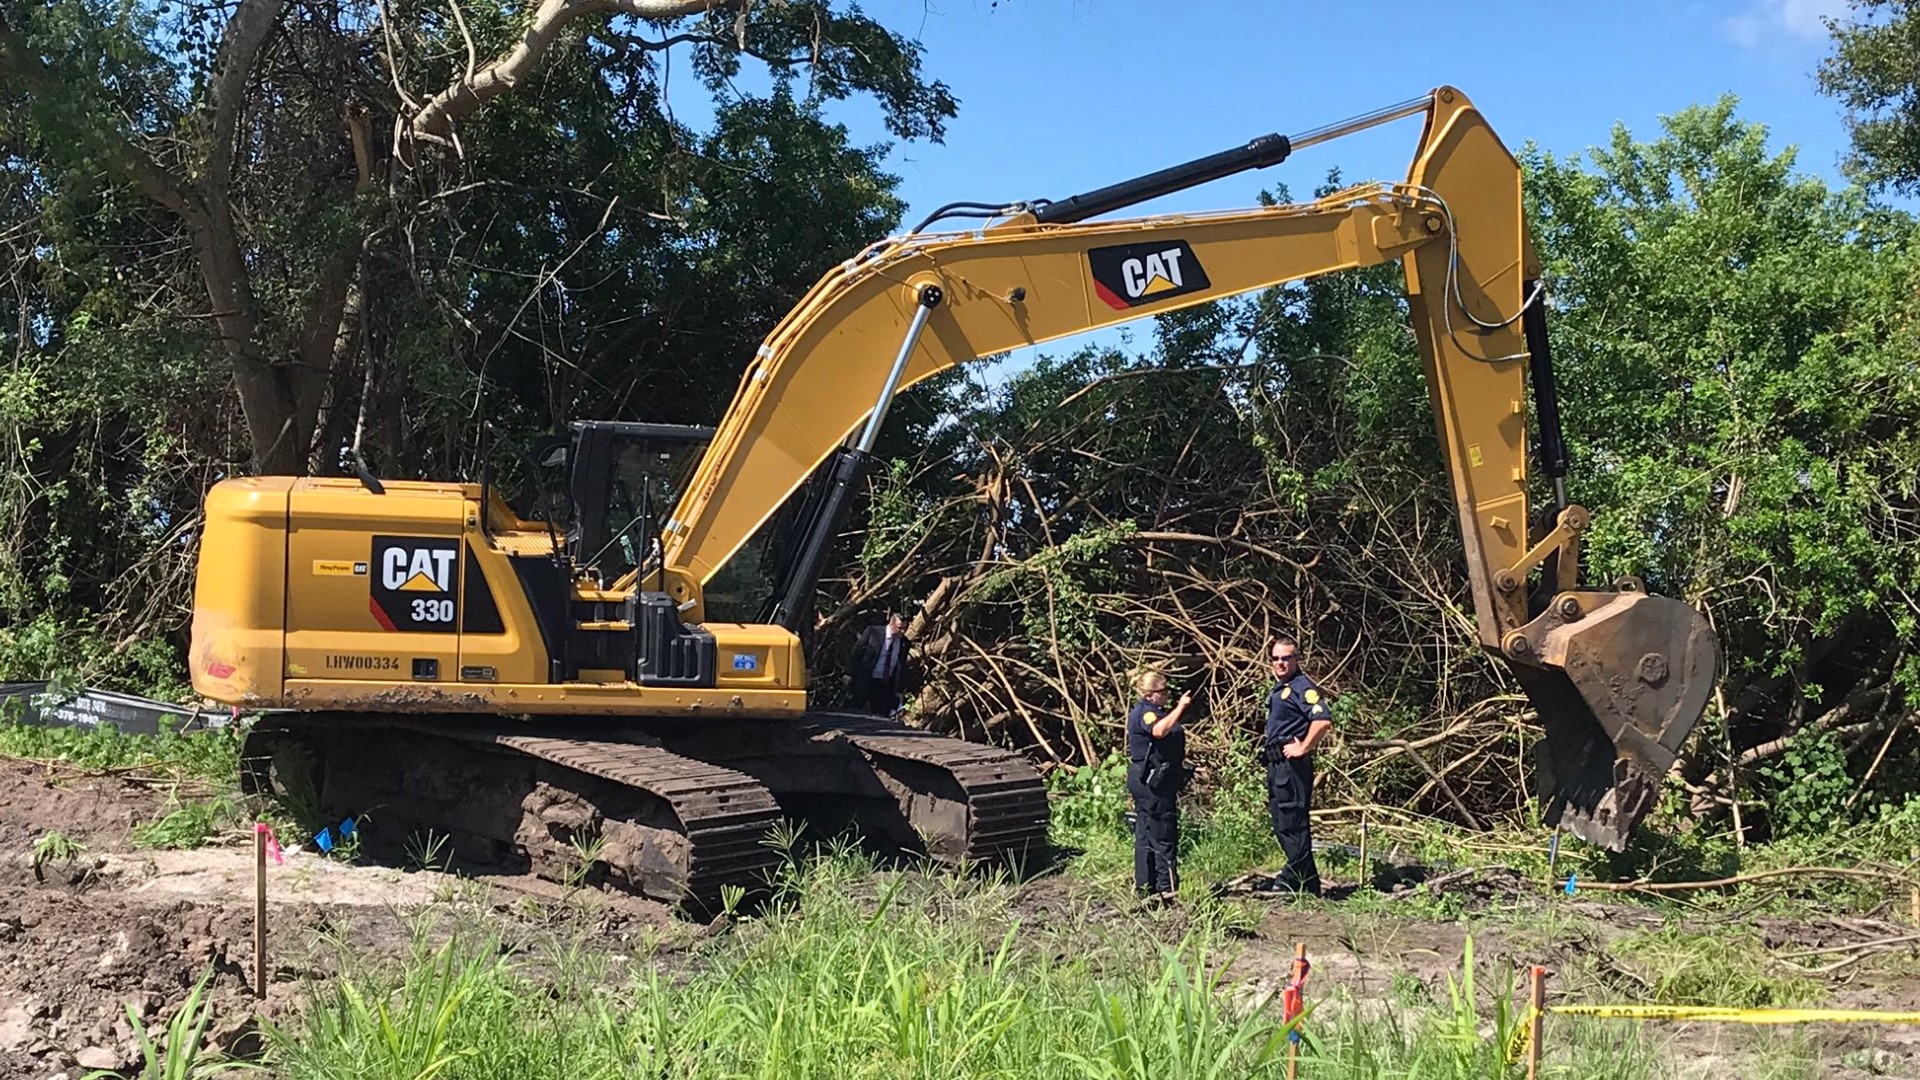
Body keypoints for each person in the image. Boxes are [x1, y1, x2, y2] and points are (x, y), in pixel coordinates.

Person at [1259, 636, 1333, 896]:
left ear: (1296, 659)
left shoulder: (1302, 687)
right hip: (1277, 764)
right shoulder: (1282, 688)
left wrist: (1304, 747)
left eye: (1286, 658)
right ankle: (1308, 884)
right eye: (1275, 658)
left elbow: (1322, 721)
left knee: (1292, 823)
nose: (1280, 663)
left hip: (1292, 766)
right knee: (1282, 823)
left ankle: (1290, 877)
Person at [1125, 667, 1193, 904]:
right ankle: (1167, 891)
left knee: (1147, 833)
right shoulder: (1146, 713)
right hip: (1152, 782)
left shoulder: (1155, 711)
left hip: (1153, 780)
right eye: (1162, 691)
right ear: (1149, 695)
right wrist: (1181, 707)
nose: (1167, 695)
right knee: (1163, 834)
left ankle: (1147, 889)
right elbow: (1158, 731)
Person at [848, 611, 912, 715]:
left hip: (885, 684)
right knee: (854, 710)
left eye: (905, 628)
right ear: (891, 624)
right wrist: (848, 673)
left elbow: (901, 667)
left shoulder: (904, 643)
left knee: (881, 714)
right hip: (866, 679)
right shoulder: (873, 632)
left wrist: (899, 690)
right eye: (899, 628)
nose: (902, 631)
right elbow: (856, 652)